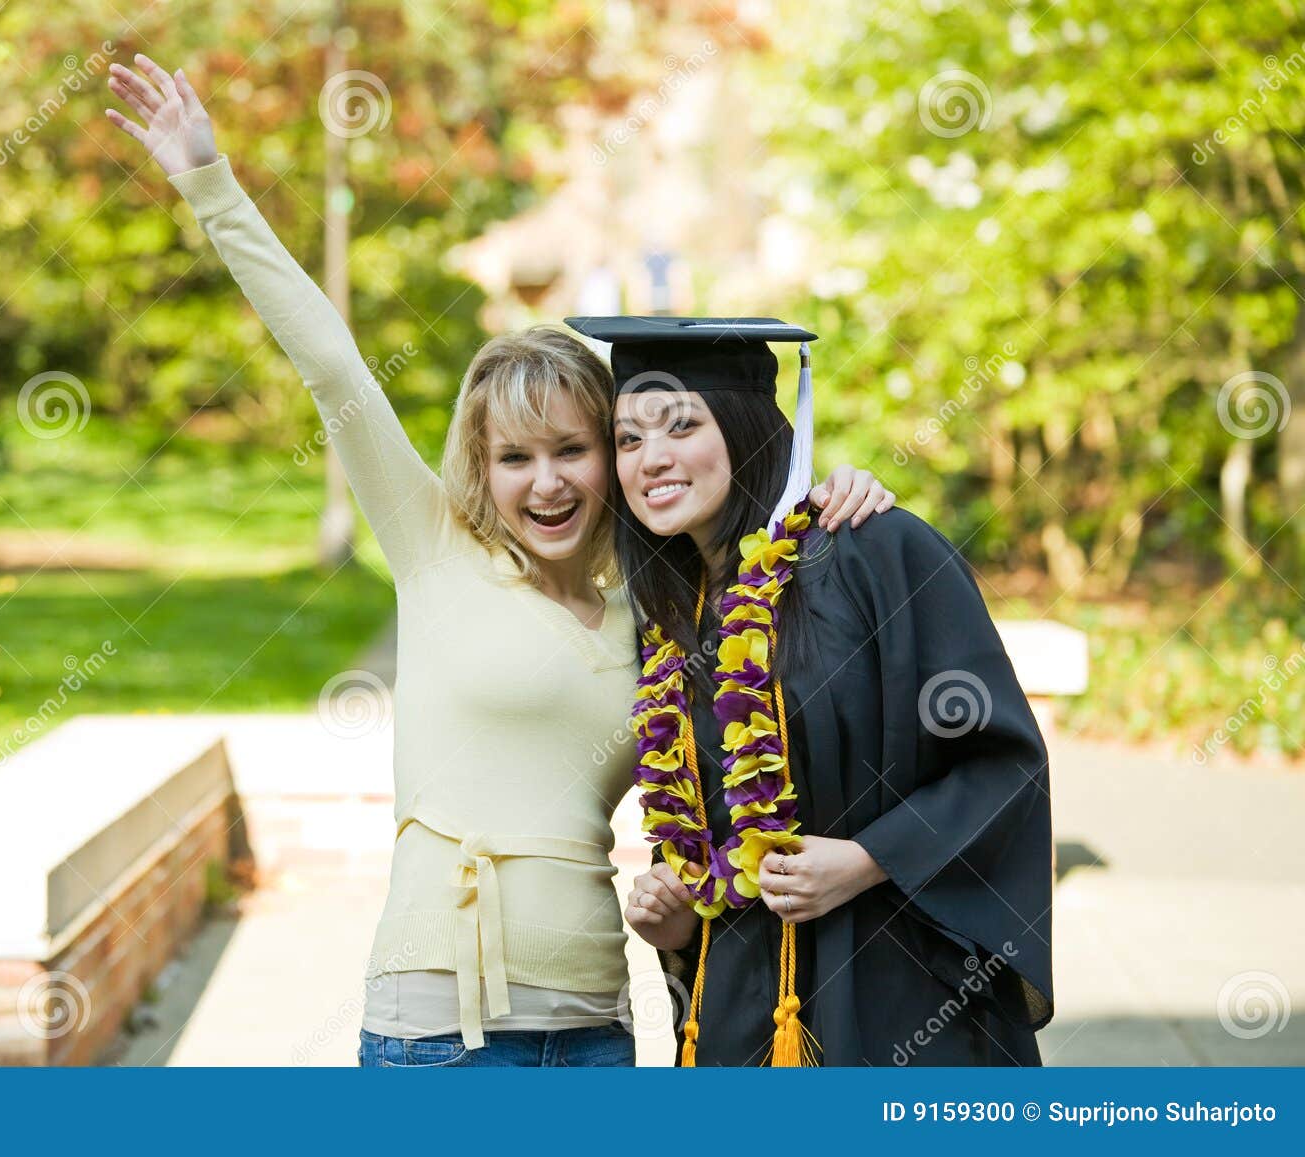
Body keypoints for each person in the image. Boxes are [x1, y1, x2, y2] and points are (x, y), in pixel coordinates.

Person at [105, 57, 896, 1066]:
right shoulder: (436, 552)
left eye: (572, 449)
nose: (548, 482)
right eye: (515, 457)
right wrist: (208, 182)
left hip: (598, 1030)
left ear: (611, 459)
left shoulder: (654, 607)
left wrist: (844, 489)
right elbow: (330, 362)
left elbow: (738, 741)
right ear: (481, 467)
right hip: (438, 1033)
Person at [570, 315, 1054, 1067]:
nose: (651, 458)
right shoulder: (667, 623)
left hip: (897, 994)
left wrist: (866, 858)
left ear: (746, 425)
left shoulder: (876, 551)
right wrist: (677, 912)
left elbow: (1003, 767)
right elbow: (710, 839)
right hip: (735, 1013)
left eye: (680, 425)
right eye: (628, 439)